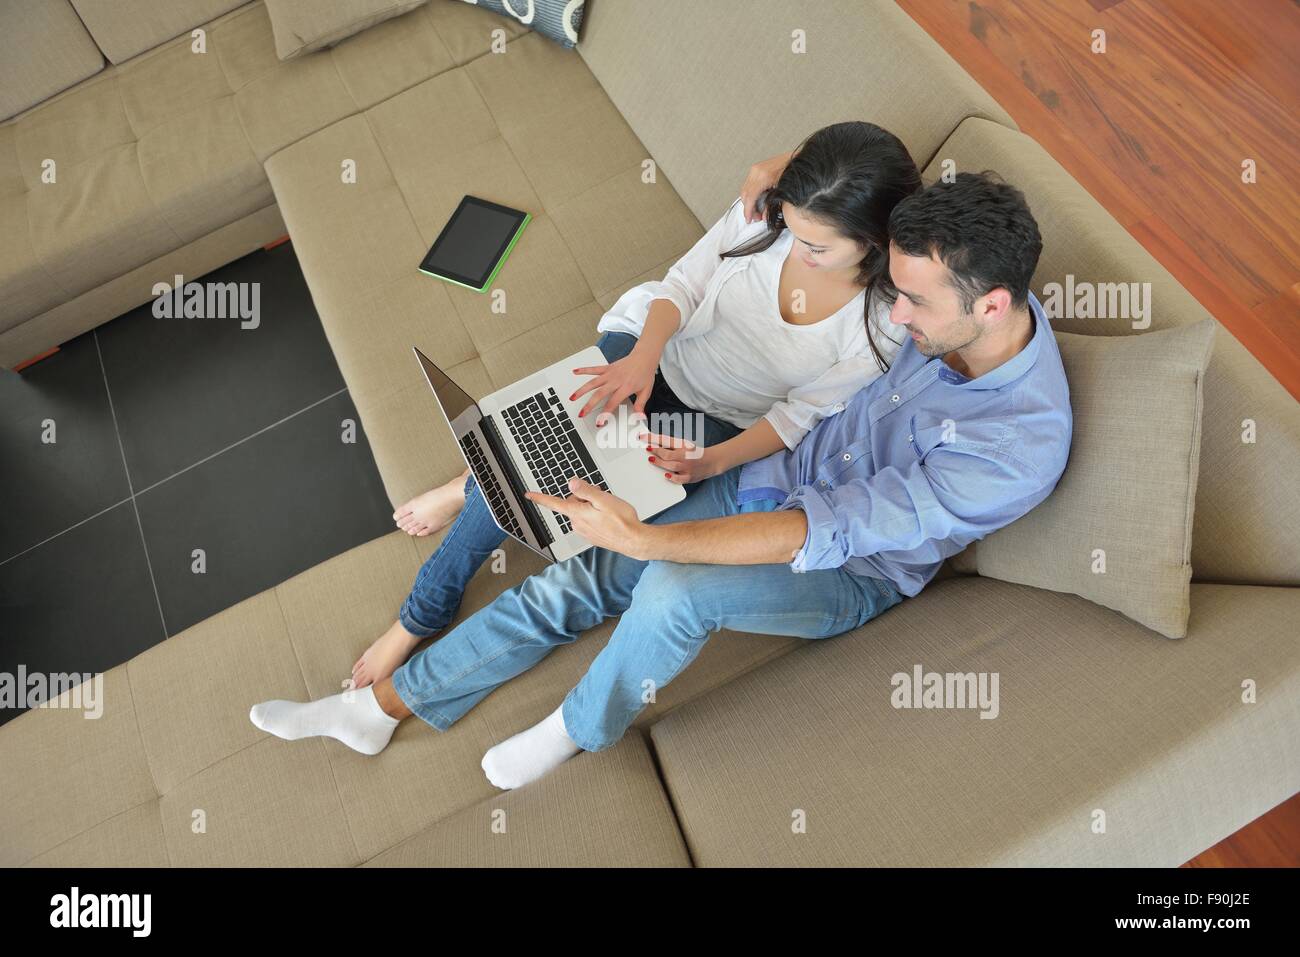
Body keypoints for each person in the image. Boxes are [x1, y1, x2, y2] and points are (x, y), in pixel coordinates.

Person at [249, 171, 1073, 793]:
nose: (894, 317)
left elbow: (829, 530)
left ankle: (577, 726)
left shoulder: (1017, 446)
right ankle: (375, 711)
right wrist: (768, 176)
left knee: (673, 591)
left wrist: (649, 537)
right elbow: (841, 169)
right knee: (576, 576)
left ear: (994, 304)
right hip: (766, 480)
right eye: (896, 293)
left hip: (852, 570)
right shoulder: (943, 291)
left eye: (914, 305)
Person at [351, 121, 921, 688]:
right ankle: (421, 614)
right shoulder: (765, 214)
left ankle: (472, 479)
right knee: (532, 456)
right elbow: (683, 287)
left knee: (555, 482)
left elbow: (798, 415)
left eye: (816, 246)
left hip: (715, 424)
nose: (797, 248)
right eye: (794, 230)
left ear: (877, 239)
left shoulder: (881, 324)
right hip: (653, 347)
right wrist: (642, 359)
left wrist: (715, 463)